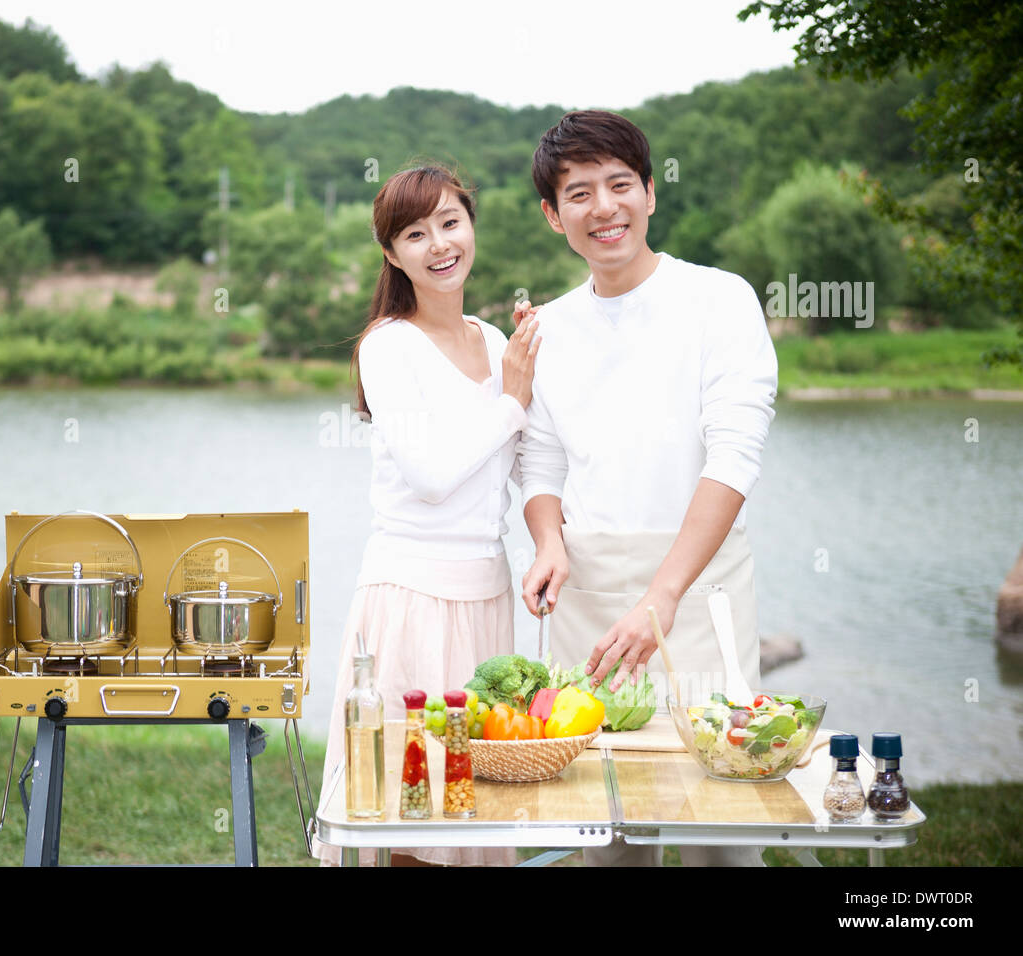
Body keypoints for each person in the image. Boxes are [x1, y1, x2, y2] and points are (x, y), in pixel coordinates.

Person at [517, 110, 778, 867]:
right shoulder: (549, 328)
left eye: (620, 185)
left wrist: (663, 596)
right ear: (551, 214)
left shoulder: (719, 300)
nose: (604, 208)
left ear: (651, 193)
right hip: (590, 600)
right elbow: (539, 463)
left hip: (697, 587)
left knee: (720, 820)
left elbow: (733, 458)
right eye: (579, 193)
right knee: (605, 827)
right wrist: (546, 541)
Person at [315, 164, 540, 867]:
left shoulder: (498, 342)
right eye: (416, 233)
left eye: (450, 222)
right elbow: (434, 477)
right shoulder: (388, 345)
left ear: (471, 225)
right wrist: (513, 400)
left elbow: (525, 467)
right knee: (412, 813)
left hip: (486, 595)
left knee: (473, 809)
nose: (439, 244)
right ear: (392, 253)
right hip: (412, 595)